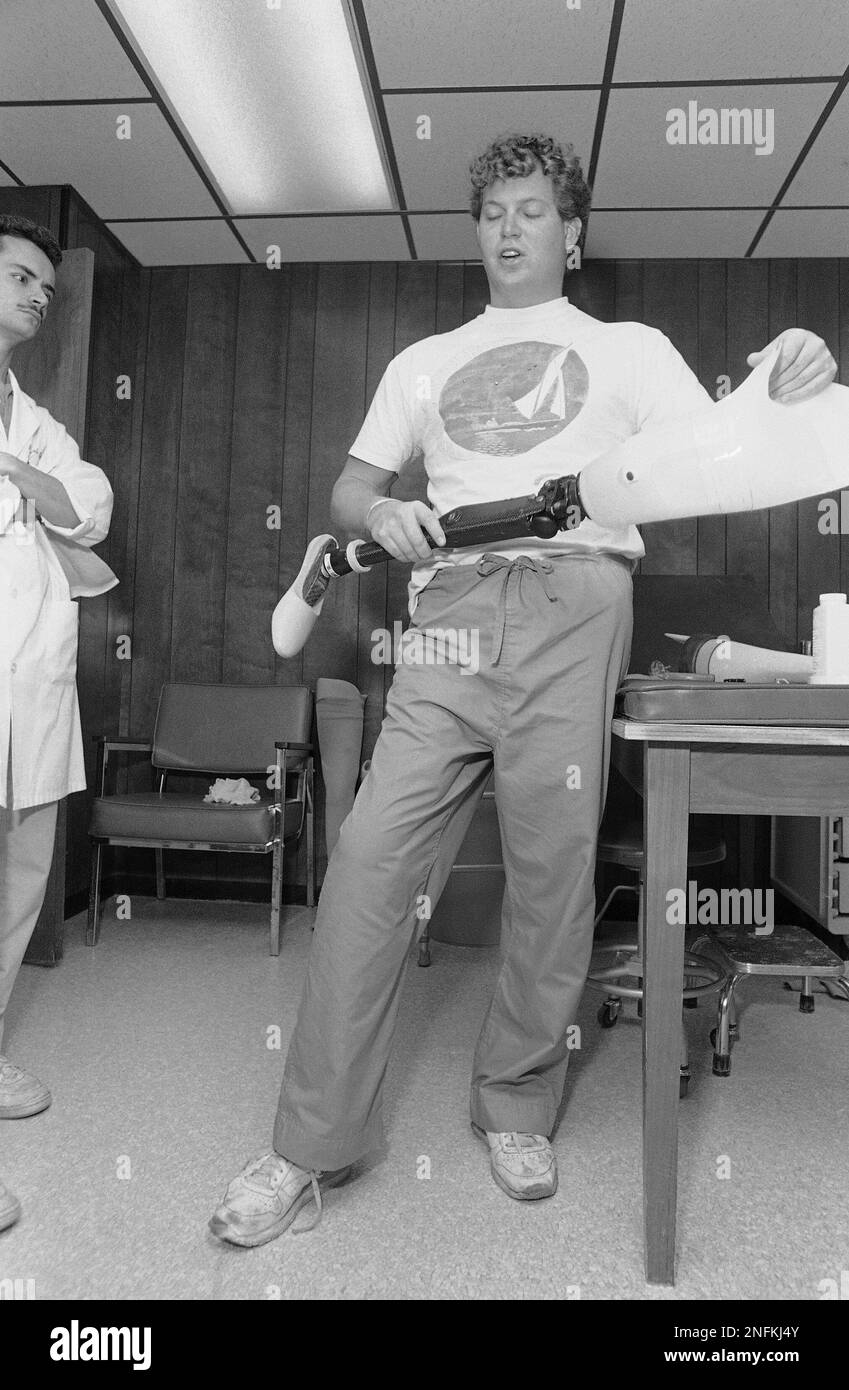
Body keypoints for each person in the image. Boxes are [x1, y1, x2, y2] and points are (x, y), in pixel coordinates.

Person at [210, 133, 836, 1247]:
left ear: (572, 233)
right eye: (494, 210)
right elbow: (354, 489)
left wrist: (794, 372)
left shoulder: (632, 349)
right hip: (447, 613)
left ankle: (516, 1100)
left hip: (576, 598)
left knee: (551, 874)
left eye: (534, 209)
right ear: (477, 231)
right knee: (365, 868)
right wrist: (381, 514)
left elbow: (726, 447)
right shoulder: (424, 361)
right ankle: (306, 1145)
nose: (511, 227)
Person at [0, 215, 115, 1231]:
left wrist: (29, 480)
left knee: (22, 877)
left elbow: (91, 504)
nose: (41, 297)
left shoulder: (32, 417)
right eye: (23, 278)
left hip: (27, 681)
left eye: (46, 285)